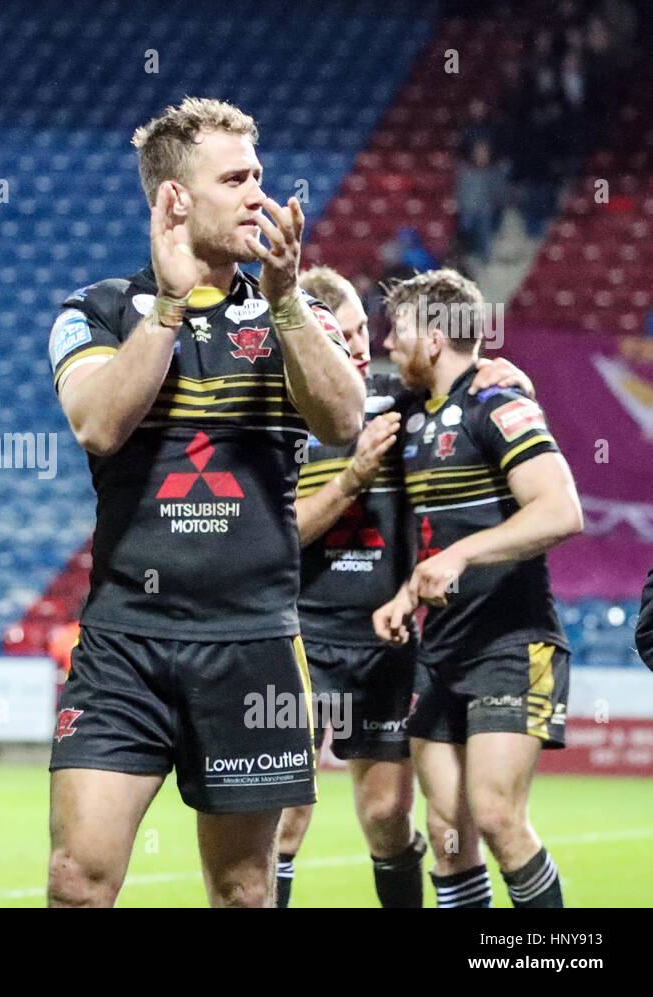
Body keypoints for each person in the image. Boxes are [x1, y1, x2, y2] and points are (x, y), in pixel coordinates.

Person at [46, 98, 365, 908]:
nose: (259, 193)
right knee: (77, 881)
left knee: (244, 890)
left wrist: (291, 302)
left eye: (259, 175)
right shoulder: (99, 310)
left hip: (253, 641)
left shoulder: (297, 311)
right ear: (175, 200)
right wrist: (168, 307)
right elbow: (98, 423)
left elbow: (342, 420)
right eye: (236, 178)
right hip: (125, 643)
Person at [275, 266, 534, 908]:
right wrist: (352, 479)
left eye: (370, 331)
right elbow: (276, 538)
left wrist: (513, 378)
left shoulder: (401, 400)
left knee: (389, 812)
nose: (368, 346)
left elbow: (475, 397)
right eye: (350, 332)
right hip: (300, 640)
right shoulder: (282, 422)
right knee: (281, 819)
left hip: (387, 643)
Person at [373, 269, 582, 908]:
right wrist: (405, 594)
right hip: (439, 653)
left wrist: (461, 554)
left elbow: (561, 510)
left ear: (436, 338)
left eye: (398, 330)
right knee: (447, 835)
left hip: (512, 646)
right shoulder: (408, 414)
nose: (386, 344)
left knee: (496, 818)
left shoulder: (499, 404)